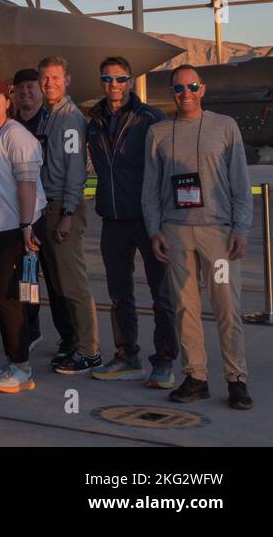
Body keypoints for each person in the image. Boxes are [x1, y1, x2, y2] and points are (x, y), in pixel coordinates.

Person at [145, 65, 252, 410]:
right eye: (179, 88)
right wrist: (154, 229)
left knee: (226, 307)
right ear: (171, 92)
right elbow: (150, 188)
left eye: (192, 86)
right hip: (176, 233)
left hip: (216, 234)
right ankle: (196, 376)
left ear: (202, 89)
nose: (185, 93)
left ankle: (236, 379)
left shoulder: (225, 127)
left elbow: (240, 182)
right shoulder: (159, 132)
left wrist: (240, 228)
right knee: (185, 307)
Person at [86, 56, 176, 388]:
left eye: (121, 79)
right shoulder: (93, 121)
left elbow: (168, 169)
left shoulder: (151, 119)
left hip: (148, 220)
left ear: (130, 80)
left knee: (161, 294)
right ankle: (127, 356)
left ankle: (165, 361)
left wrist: (165, 219)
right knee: (120, 293)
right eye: (107, 79)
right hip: (113, 219)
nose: (114, 85)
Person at [0, 79, 46, 395]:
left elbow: (27, 184)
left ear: (7, 100)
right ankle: (13, 362)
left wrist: (27, 227)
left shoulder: (16, 135)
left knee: (10, 298)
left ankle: (22, 367)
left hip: (14, 230)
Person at [37, 56, 100, 375]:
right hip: (49, 204)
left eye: (56, 78)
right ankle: (75, 344)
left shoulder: (71, 119)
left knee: (73, 283)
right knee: (60, 283)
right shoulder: (49, 116)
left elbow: (77, 171)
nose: (50, 83)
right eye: (45, 78)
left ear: (68, 80)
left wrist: (67, 213)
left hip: (64, 205)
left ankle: (89, 350)